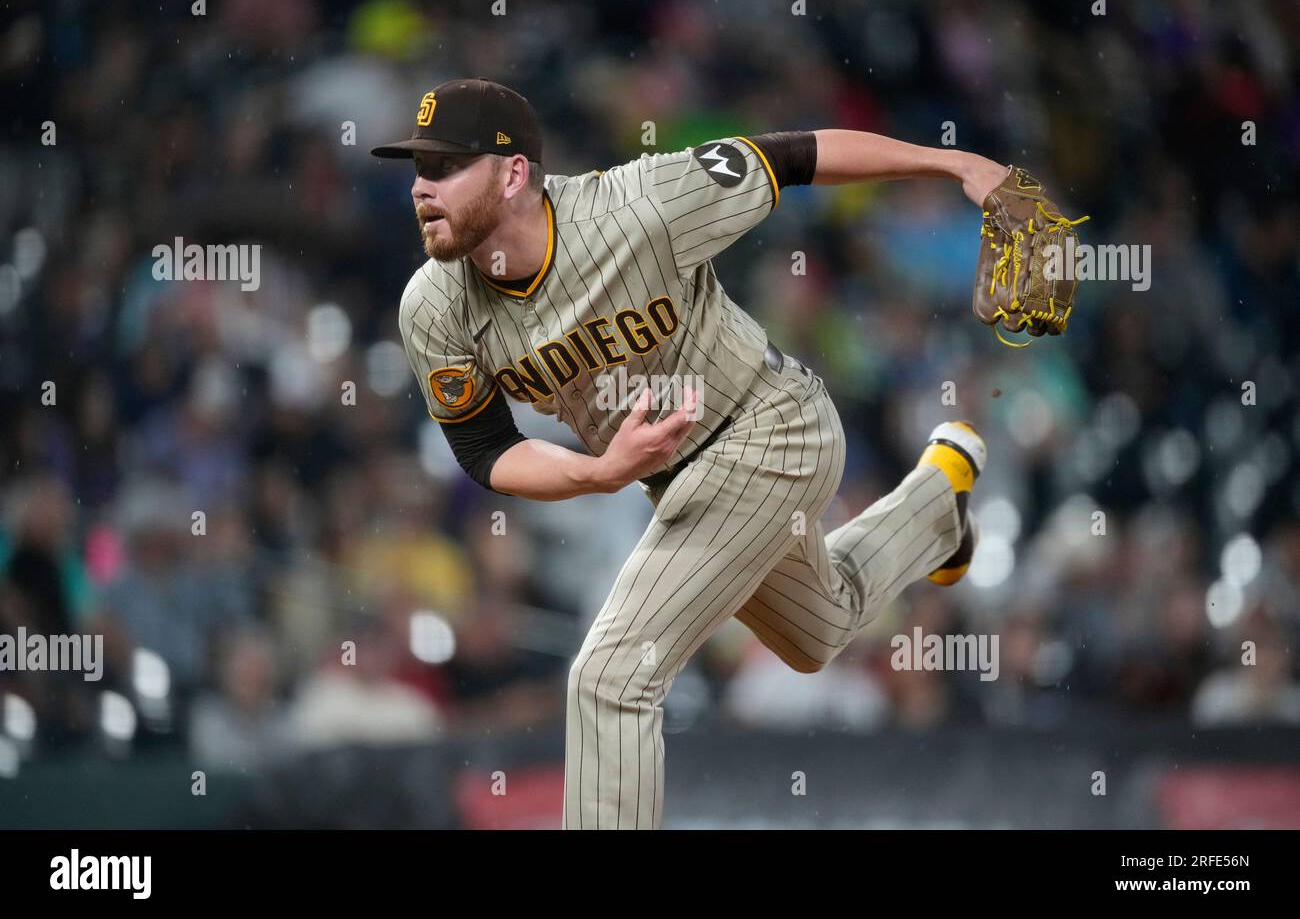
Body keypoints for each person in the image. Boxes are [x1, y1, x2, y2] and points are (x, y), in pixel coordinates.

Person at [378, 78, 1007, 829]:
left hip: (771, 426)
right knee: (821, 630)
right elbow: (484, 449)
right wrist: (597, 474)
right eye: (418, 167)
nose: (422, 186)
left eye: (446, 165)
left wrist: (956, 165)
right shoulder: (433, 307)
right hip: (677, 479)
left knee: (610, 677)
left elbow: (799, 156)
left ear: (514, 173)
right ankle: (940, 503)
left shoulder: (640, 205)